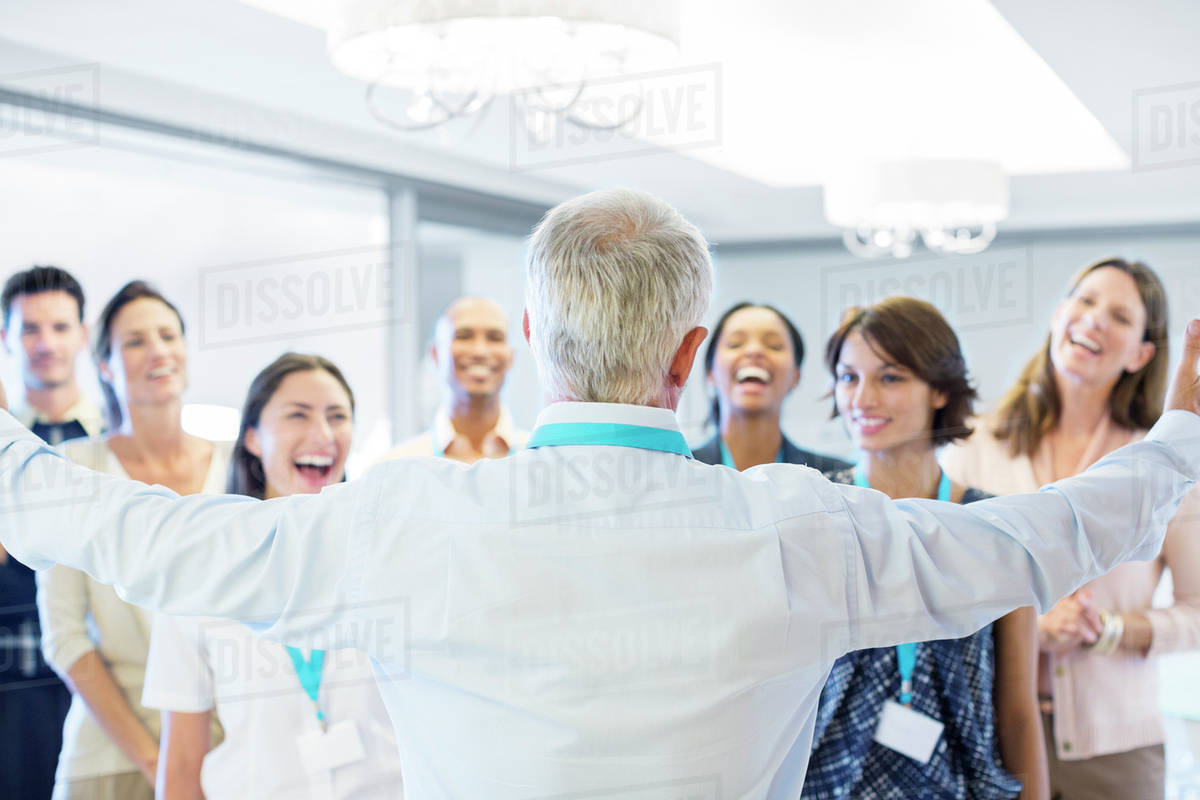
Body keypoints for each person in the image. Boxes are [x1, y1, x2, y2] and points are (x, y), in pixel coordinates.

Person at [1, 190, 1200, 800]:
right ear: (689, 358)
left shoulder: (404, 518)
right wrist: (1180, 435)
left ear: (531, 338)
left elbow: (120, 528)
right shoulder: (797, 525)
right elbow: (1044, 536)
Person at [941, 257, 1200, 800]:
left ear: (1141, 355)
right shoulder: (976, 448)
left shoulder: (1161, 467)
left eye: (1120, 316)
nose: (1095, 319)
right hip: (985, 733)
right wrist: (1026, 625)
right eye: (1084, 301)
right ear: (1059, 315)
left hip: (1118, 752)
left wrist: (1108, 629)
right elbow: (943, 588)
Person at [801, 297, 1046, 800]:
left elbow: (1018, 709)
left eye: (890, 377)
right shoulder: (808, 515)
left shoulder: (993, 528)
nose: (862, 398)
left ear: (939, 389)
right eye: (849, 377)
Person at [143, 352, 406, 799]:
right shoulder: (201, 573)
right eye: (297, 415)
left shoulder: (393, 558)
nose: (322, 434)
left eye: (337, 416)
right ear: (251, 437)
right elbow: (183, 767)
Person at [35, 281, 231, 800]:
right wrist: (154, 762)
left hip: (228, 751)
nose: (159, 351)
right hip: (111, 756)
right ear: (104, 366)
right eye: (135, 341)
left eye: (168, 335)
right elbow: (64, 635)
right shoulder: (75, 470)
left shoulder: (237, 466)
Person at [0, 266, 95, 800]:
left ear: (83, 334)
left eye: (60, 327)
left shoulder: (116, 445)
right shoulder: (1, 442)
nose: (46, 343)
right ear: (6, 338)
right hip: (11, 683)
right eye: (30, 329)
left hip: (100, 685)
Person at [694, 301, 851, 472]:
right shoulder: (680, 474)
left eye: (774, 346)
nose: (754, 351)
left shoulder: (835, 479)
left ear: (795, 376)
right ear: (710, 372)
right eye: (735, 344)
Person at [382, 296, 527, 464]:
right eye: (464, 336)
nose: (480, 351)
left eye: (495, 338)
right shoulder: (400, 464)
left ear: (511, 356)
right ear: (435, 353)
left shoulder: (537, 459)